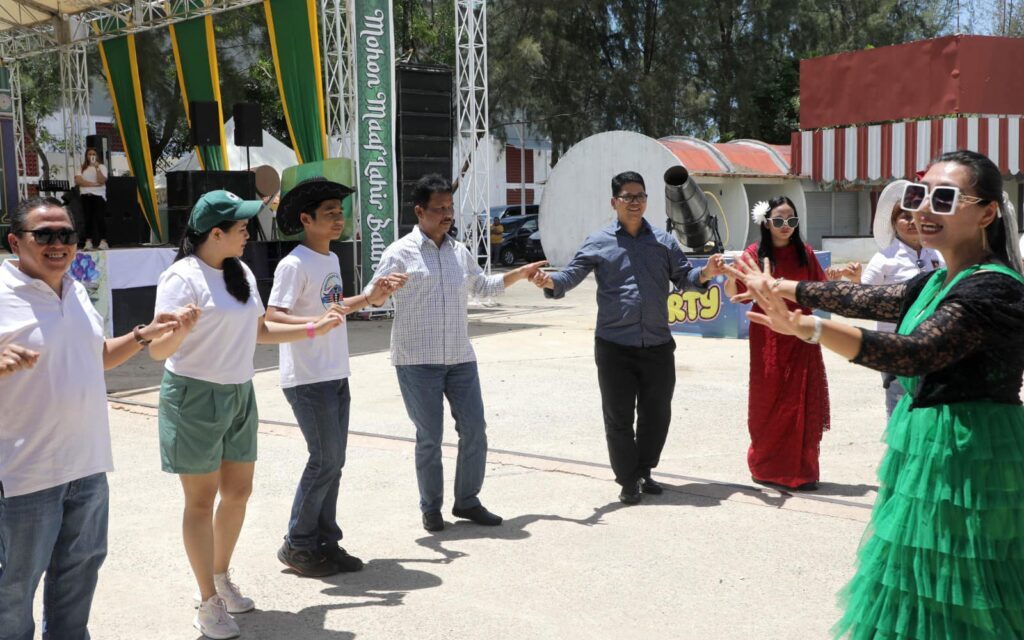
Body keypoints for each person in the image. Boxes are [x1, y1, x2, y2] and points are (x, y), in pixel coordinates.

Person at [726, 149, 1024, 639]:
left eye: (944, 198)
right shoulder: (937, 280)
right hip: (927, 441)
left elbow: (913, 352)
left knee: (963, 590)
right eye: (918, 195)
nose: (923, 210)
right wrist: (775, 283)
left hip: (970, 456)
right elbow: (862, 297)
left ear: (988, 212)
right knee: (912, 583)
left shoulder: (994, 288)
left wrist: (811, 330)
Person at [149, 190, 346, 639]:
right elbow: (160, 350)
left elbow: (259, 330)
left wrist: (313, 327)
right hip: (195, 396)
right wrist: (178, 330)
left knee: (238, 493)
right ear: (214, 233)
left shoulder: (239, 273)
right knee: (200, 501)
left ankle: (220, 576)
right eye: (239, 228)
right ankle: (207, 602)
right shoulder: (181, 277)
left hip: (239, 393)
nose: (247, 234)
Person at [0, 197, 184, 639]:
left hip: (87, 467)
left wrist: (142, 335)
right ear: (15, 242)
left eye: (66, 235)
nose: (58, 244)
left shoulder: (77, 289)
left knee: (78, 578)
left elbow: (96, 356)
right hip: (24, 477)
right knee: (13, 591)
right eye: (44, 235)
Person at [532, 171, 726, 504]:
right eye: (628, 196)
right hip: (614, 346)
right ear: (614, 202)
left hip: (657, 345)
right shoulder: (598, 241)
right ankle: (627, 480)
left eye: (640, 196)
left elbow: (685, 278)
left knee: (657, 414)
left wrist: (706, 273)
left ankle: (644, 470)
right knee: (619, 417)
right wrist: (548, 282)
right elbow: (569, 276)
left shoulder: (664, 242)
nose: (635, 202)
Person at [366, 173, 545, 533]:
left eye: (450, 207)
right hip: (418, 361)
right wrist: (382, 290)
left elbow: (483, 287)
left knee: (475, 430)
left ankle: (467, 501)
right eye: (439, 209)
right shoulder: (398, 252)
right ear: (420, 211)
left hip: (460, 358)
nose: (447, 214)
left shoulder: (458, 251)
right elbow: (373, 297)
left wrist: (520, 274)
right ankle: (431, 508)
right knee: (430, 437)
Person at [268, 177, 407, 577]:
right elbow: (274, 317)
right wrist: (317, 322)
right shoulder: (293, 263)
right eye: (328, 214)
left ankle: (325, 541)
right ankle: (297, 544)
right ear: (305, 219)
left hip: (335, 373)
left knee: (334, 462)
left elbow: (332, 305)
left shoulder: (328, 260)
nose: (338, 219)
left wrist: (369, 296)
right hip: (307, 377)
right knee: (324, 459)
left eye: (340, 213)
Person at [723, 196, 832, 491]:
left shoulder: (805, 253)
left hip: (801, 334)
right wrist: (730, 278)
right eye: (780, 221)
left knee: (801, 401)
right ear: (766, 223)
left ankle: (802, 471)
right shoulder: (753, 254)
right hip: (767, 336)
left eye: (792, 221)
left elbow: (819, 289)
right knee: (768, 401)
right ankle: (767, 467)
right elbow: (734, 290)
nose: (786, 227)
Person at [856, 179, 944, 418]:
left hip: (933, 346)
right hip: (895, 347)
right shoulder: (884, 258)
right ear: (894, 223)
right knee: (899, 410)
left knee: (930, 409)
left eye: (915, 215)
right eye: (903, 216)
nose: (911, 221)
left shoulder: (937, 255)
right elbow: (863, 296)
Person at [74, 147, 109, 250]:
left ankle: (103, 241)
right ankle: (88, 241)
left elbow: (102, 180)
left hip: (98, 196)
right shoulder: (81, 168)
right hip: (86, 195)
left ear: (97, 156)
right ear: (86, 156)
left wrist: (97, 167)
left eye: (94, 154)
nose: (91, 156)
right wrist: (93, 184)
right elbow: (79, 181)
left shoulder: (102, 167)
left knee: (99, 218)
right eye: (89, 154)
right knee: (87, 219)